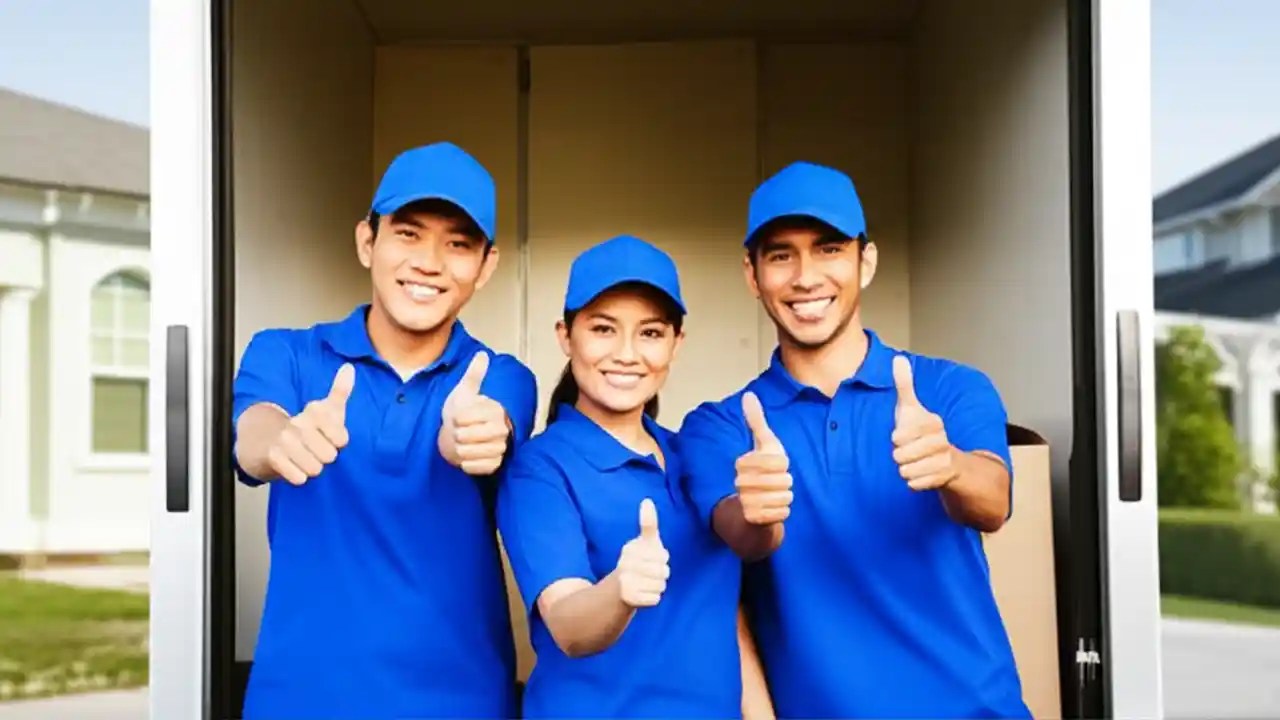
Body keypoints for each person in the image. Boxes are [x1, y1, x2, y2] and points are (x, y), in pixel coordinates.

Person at [677, 161, 1030, 719]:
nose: (805, 277)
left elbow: (994, 502)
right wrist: (757, 513)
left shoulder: (950, 388)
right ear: (751, 274)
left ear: (866, 261)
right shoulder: (721, 426)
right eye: (780, 255)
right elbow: (741, 537)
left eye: (829, 249)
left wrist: (951, 466)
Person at [231, 142, 537, 719]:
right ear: (367, 242)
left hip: (461, 703)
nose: (429, 261)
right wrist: (283, 442)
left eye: (458, 244)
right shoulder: (286, 354)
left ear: (487, 265)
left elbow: (484, 428)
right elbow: (254, 436)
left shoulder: (499, 377)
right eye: (409, 234)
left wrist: (468, 435)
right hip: (300, 699)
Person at [496, 235, 774, 719]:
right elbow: (567, 623)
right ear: (566, 335)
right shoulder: (540, 469)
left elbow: (725, 615)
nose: (627, 353)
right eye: (603, 329)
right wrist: (619, 590)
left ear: (676, 343)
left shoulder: (693, 453)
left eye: (649, 333)